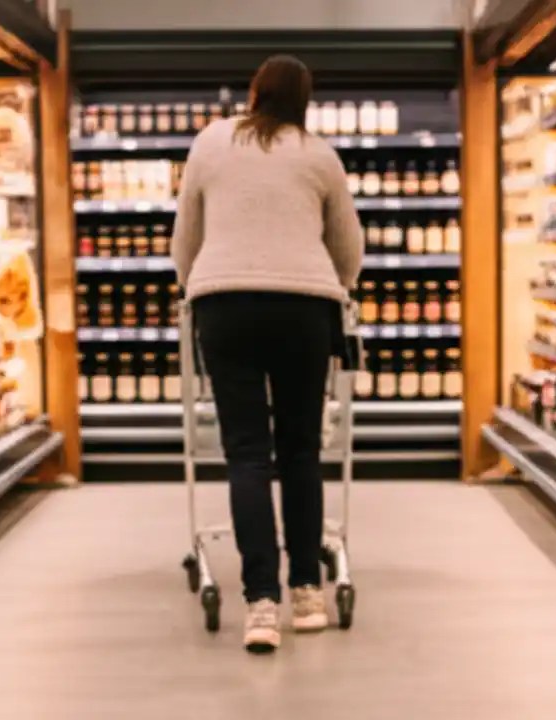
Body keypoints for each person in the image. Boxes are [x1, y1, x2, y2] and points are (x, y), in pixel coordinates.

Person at [170, 55, 364, 654]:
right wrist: (341, 288)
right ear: (306, 101)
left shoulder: (211, 140)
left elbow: (186, 236)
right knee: (301, 450)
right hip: (305, 309)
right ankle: (307, 591)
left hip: (225, 306)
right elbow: (347, 246)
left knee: (247, 454)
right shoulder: (318, 153)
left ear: (254, 92)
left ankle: (260, 604)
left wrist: (191, 285)